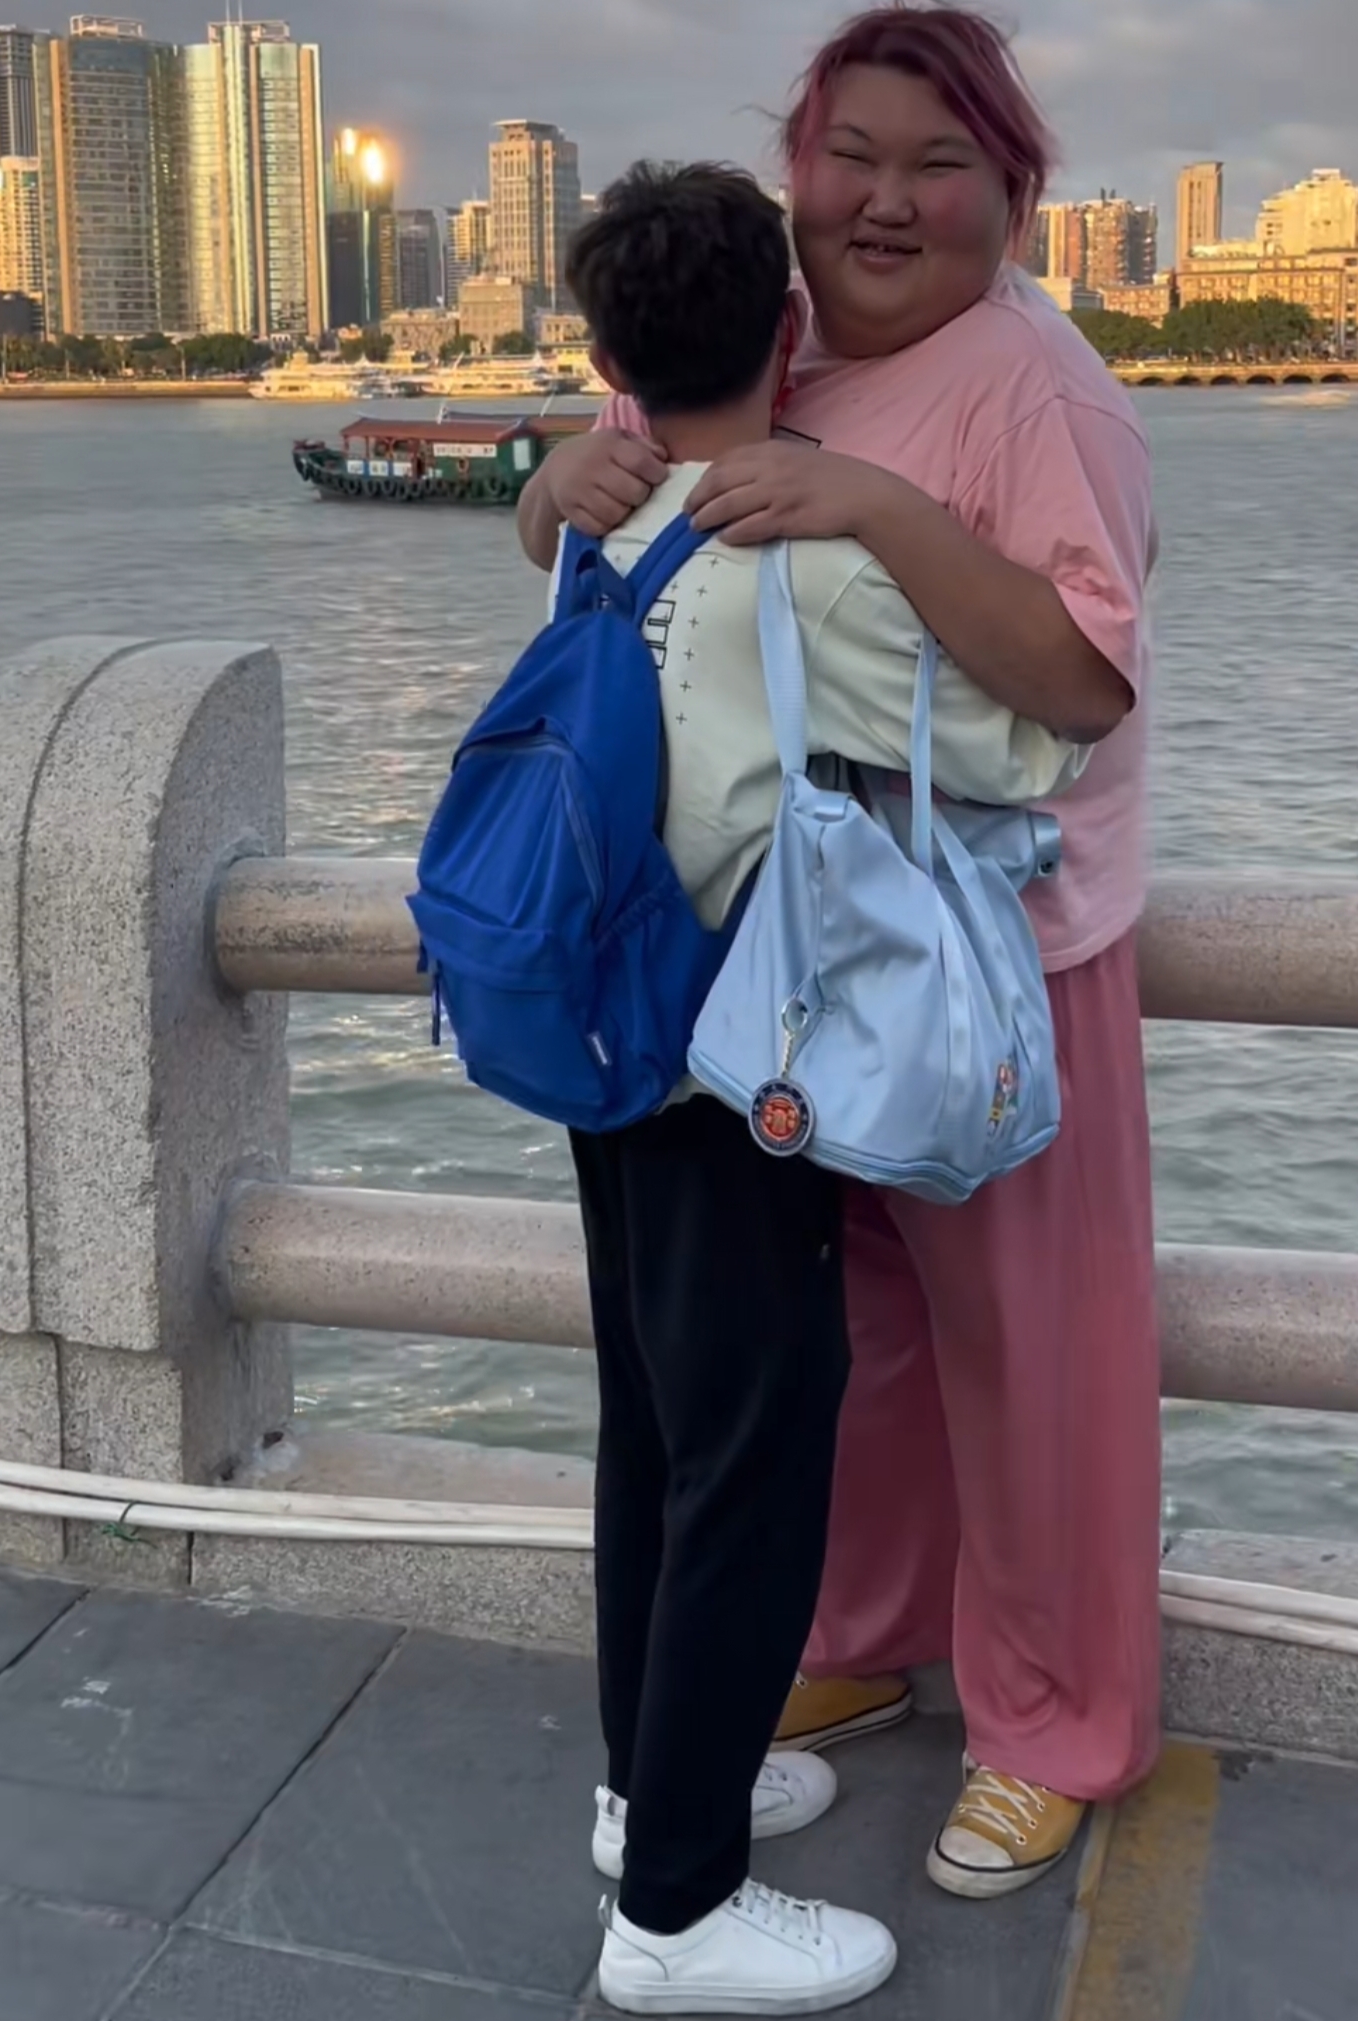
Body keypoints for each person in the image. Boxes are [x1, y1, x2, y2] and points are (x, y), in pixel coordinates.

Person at [520, 7, 1162, 1907]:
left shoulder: (1038, 390)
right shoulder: (768, 339)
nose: (885, 201)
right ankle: (870, 1630)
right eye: (851, 154)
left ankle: (1055, 1718)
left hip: (995, 960)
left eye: (936, 165)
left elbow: (1081, 680)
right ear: (794, 163)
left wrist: (877, 508)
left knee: (1029, 1357)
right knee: (851, 1338)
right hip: (780, 955)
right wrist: (547, 485)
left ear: (1013, 197)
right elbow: (641, 531)